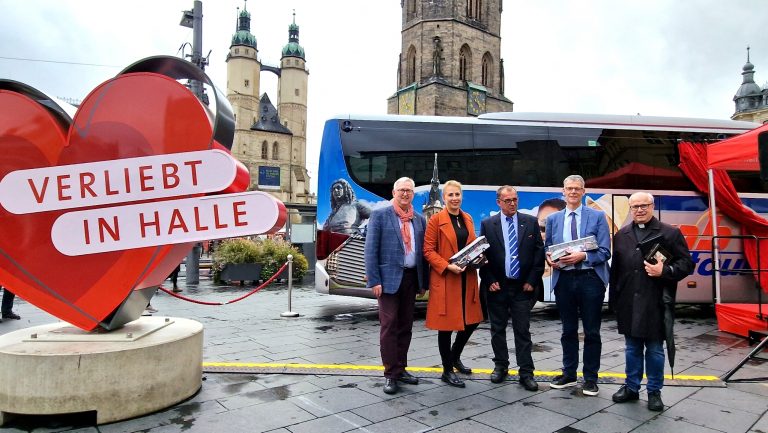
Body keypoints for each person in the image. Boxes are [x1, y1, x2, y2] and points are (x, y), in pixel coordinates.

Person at [609, 192, 693, 412]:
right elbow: (615, 271)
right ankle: (631, 387)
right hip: (628, 300)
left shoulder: (670, 233)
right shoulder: (622, 234)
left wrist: (665, 270)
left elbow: (687, 264)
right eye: (634, 206)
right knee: (631, 348)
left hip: (656, 301)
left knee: (655, 350)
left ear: (652, 206)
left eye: (643, 205)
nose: (639, 210)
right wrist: (614, 301)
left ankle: (654, 391)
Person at [545, 174, 611, 396]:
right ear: (562, 192)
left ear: (584, 192)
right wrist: (550, 259)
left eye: (577, 189)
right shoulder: (553, 219)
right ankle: (569, 373)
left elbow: (604, 251)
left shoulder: (598, 217)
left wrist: (583, 256)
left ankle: (591, 378)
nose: (573, 192)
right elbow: (548, 248)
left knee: (592, 331)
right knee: (568, 330)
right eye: (569, 188)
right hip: (564, 280)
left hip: (590, 279)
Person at [364, 177, 428, 395]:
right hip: (388, 280)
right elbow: (371, 250)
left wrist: (422, 282)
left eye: (409, 191)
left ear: (413, 194)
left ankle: (401, 368)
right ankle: (390, 374)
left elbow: (422, 254)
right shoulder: (380, 215)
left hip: (411, 279)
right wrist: (374, 280)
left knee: (405, 327)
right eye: (401, 190)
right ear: (394, 192)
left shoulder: (419, 219)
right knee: (389, 326)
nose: (405, 194)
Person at [480, 186, 544, 390]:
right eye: (507, 200)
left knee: (522, 330)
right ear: (498, 202)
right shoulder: (488, 224)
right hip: (498, 286)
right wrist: (489, 279)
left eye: (515, 199)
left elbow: (538, 254)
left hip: (521, 287)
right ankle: (501, 366)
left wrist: (532, 281)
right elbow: (483, 256)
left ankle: (526, 372)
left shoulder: (530, 222)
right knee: (497, 329)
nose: (512, 203)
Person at [423, 180, 484, 388]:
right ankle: (447, 370)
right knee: (446, 327)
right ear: (444, 198)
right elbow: (428, 251)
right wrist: (447, 266)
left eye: (457, 194)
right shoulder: (436, 220)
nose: (454, 198)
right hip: (447, 279)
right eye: (450, 195)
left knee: (471, 321)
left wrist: (479, 257)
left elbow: (472, 246)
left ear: (461, 196)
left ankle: (454, 357)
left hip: (466, 278)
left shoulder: (467, 218)